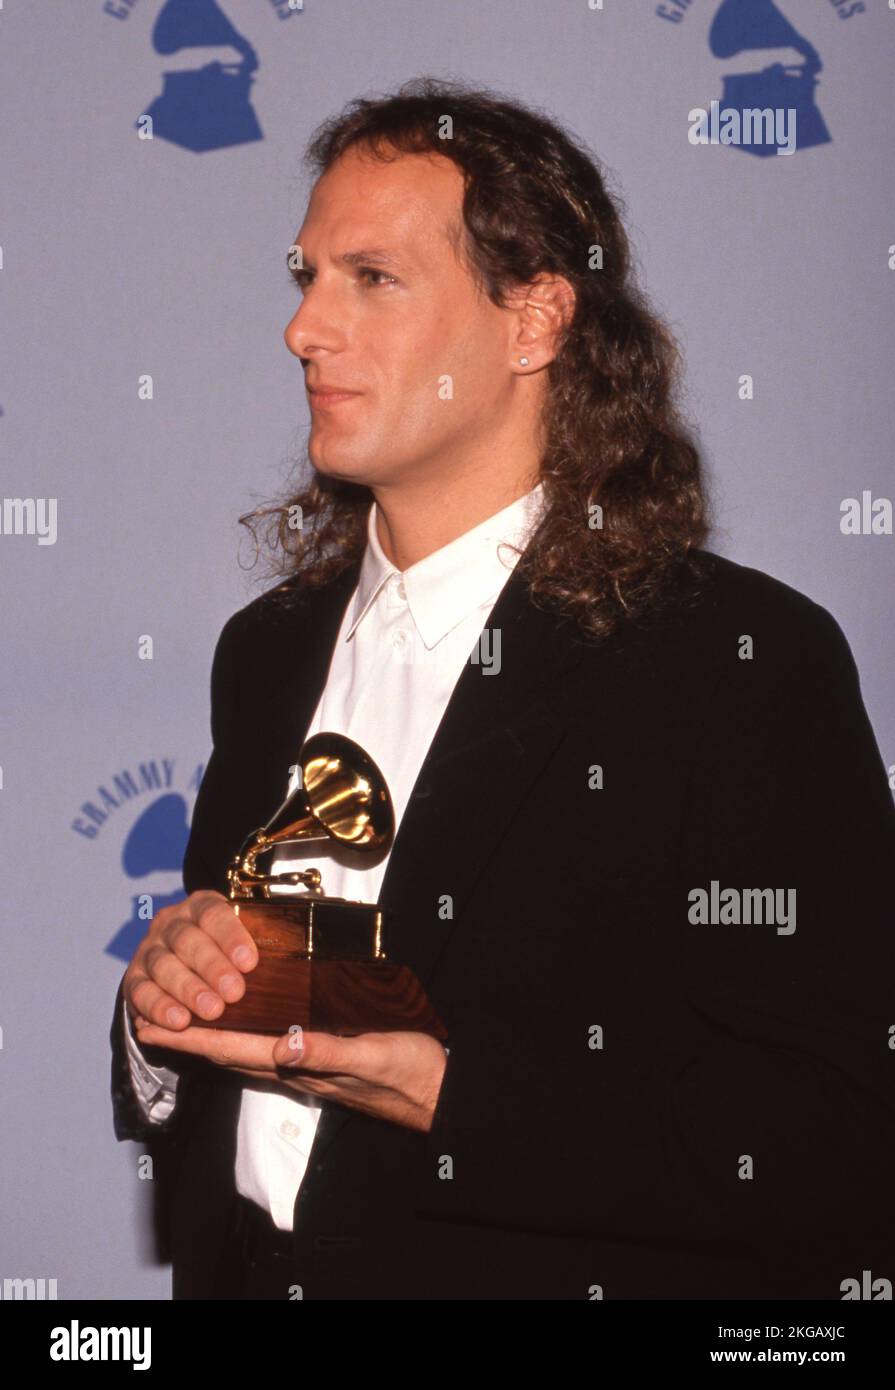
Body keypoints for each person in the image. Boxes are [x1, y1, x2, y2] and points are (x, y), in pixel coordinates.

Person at [110, 78, 895, 1300]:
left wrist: (444, 1094)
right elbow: (234, 1080)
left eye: (370, 278)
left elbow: (832, 1140)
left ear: (533, 322)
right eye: (305, 276)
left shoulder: (736, 664)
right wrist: (163, 1014)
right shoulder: (263, 652)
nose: (304, 328)